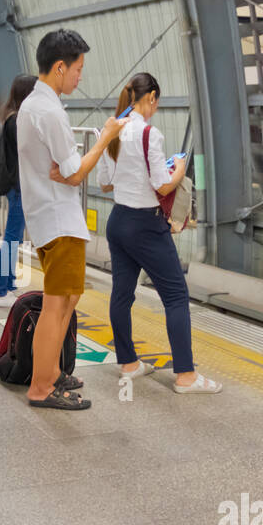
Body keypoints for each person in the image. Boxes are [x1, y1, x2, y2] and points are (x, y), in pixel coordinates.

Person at [17, 29, 123, 411]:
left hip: (50, 217)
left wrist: (71, 166)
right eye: (77, 69)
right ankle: (41, 386)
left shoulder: (34, 106)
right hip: (58, 219)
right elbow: (74, 172)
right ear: (59, 67)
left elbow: (66, 168)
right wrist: (104, 137)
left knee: (67, 299)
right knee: (56, 303)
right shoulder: (48, 111)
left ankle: (50, 372)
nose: (80, 76)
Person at [97, 73, 222, 394]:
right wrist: (179, 167)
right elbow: (162, 184)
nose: (156, 108)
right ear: (150, 97)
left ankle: (128, 363)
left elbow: (105, 183)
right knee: (176, 296)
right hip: (146, 226)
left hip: (118, 221)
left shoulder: (112, 129)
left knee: (121, 294)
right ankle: (186, 376)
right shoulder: (149, 134)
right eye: (157, 102)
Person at [0, 74, 37, 308]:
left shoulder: (8, 116)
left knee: (14, 237)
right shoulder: (16, 121)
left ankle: (7, 284)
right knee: (11, 238)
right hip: (19, 187)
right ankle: (0, 292)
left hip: (15, 186)